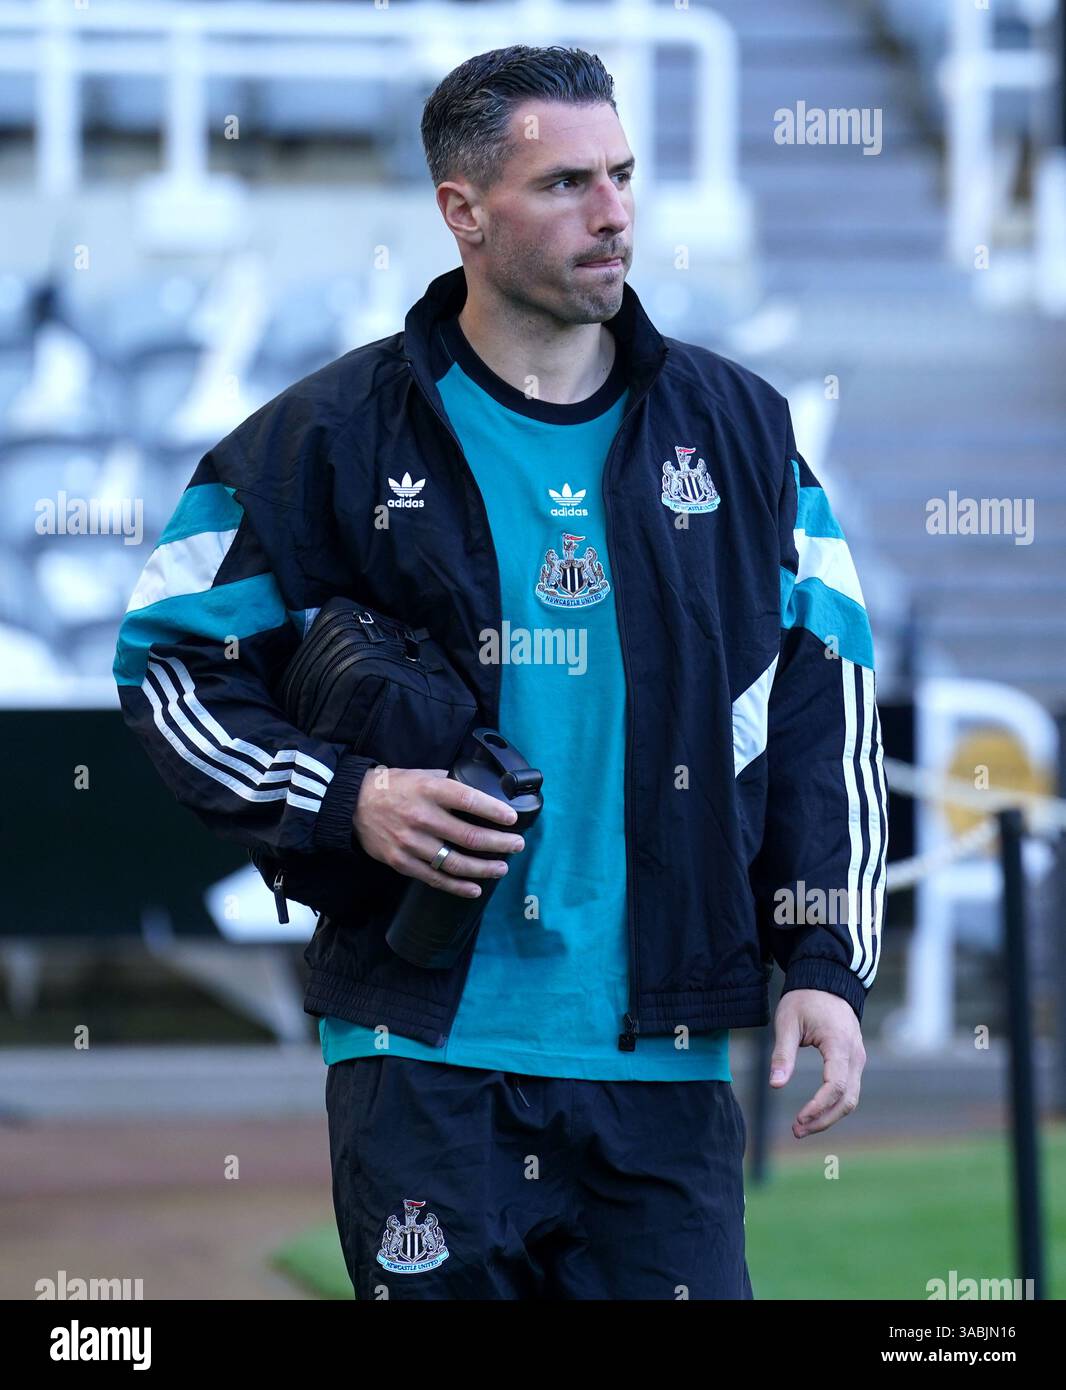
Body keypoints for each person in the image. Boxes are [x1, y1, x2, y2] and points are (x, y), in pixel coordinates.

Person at [113, 44, 888, 1301]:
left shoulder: (742, 431)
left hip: (663, 1068)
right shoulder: (327, 437)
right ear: (461, 211)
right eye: (567, 182)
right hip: (422, 1056)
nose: (615, 212)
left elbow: (824, 699)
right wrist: (345, 796)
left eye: (624, 176)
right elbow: (168, 663)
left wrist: (825, 959)